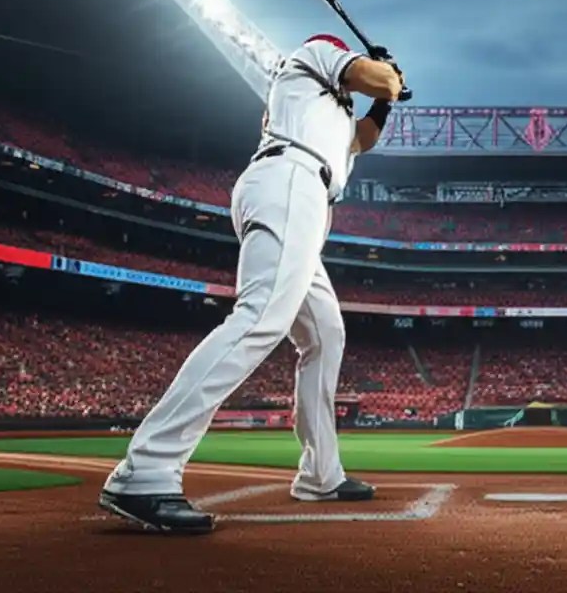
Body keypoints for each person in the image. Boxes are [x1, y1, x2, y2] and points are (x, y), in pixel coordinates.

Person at [98, 33, 405, 534]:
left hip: (306, 193)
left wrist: (383, 103)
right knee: (261, 317)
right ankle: (146, 470)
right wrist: (386, 73)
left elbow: (363, 137)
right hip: (289, 180)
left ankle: (321, 474)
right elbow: (380, 80)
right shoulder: (315, 53)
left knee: (326, 333)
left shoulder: (331, 114)